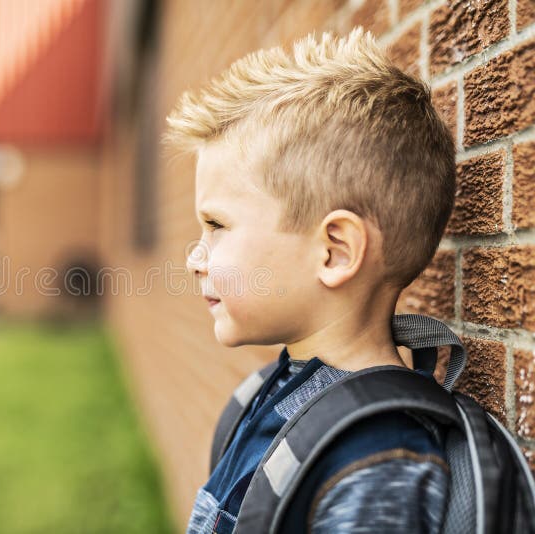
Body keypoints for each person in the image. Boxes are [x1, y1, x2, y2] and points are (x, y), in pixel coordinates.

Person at [162, 26, 456, 533]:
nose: (195, 259)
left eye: (216, 226)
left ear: (335, 251)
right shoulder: (284, 390)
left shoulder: (377, 458)